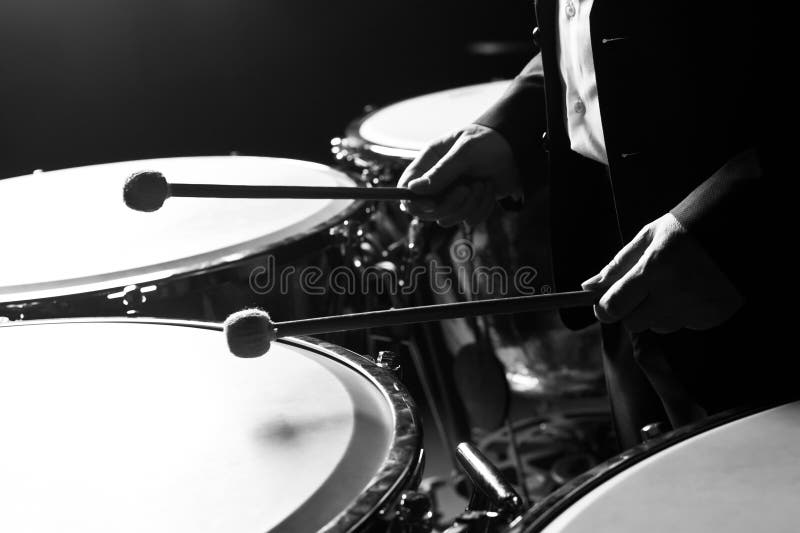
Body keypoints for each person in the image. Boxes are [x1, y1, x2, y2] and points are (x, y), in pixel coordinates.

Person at [399, 1, 791, 449]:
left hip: (760, 290)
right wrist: (514, 130)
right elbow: (591, 27)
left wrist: (729, 222)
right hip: (627, 276)